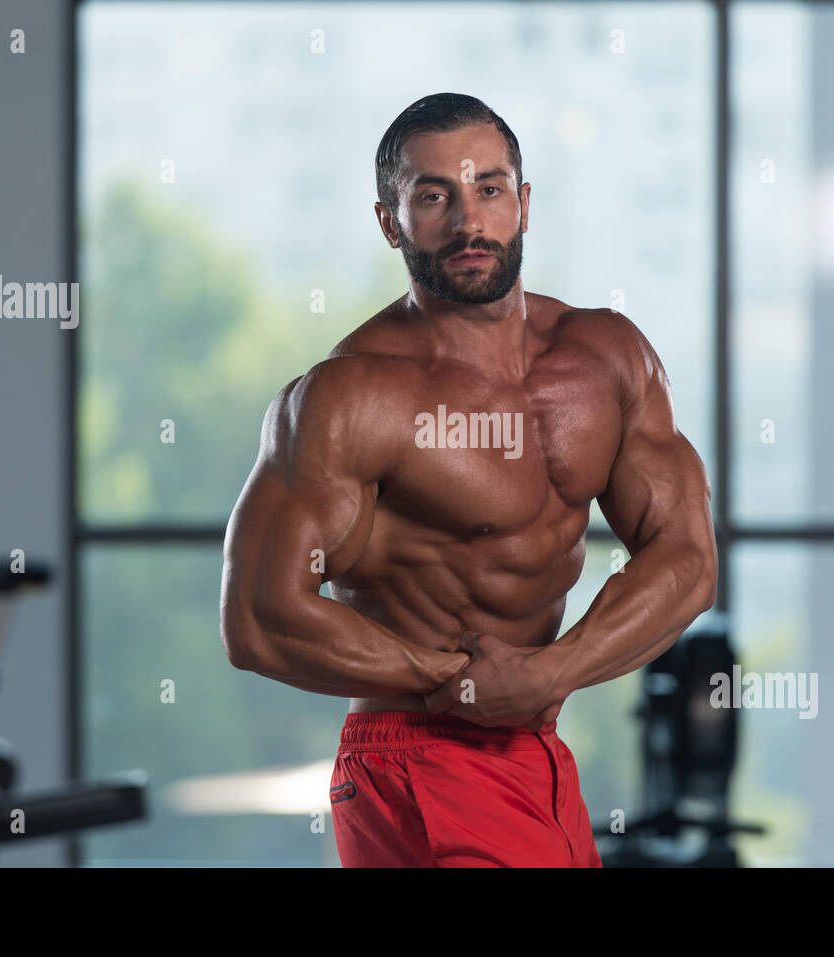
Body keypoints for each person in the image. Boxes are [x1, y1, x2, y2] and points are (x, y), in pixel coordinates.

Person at [220, 92, 717, 867]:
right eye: (433, 196)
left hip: (539, 751)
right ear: (390, 221)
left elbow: (687, 561)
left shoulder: (608, 359)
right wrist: (453, 679)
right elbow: (259, 617)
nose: (469, 221)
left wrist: (549, 673)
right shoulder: (351, 396)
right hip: (415, 756)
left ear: (523, 201)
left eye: (489, 188)